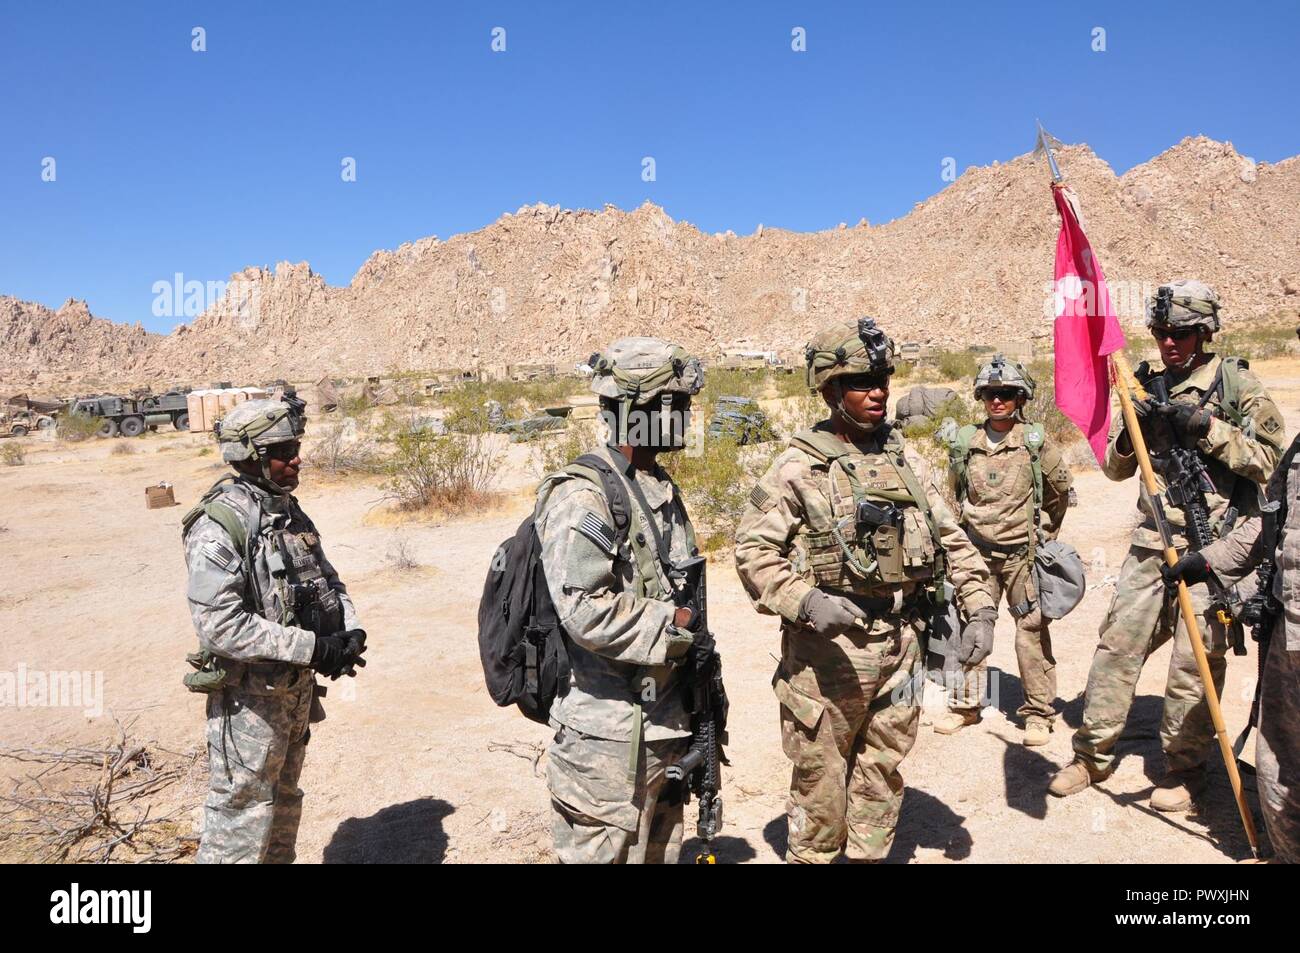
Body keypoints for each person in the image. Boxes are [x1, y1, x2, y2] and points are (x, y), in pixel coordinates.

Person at [734, 318, 996, 863]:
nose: (878, 392)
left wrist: (980, 611)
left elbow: (953, 538)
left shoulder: (905, 460)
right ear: (830, 390)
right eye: (861, 382)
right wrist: (804, 600)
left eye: (883, 379)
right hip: (830, 654)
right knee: (821, 782)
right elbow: (753, 552)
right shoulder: (799, 465)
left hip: (902, 643)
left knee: (882, 771)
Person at [1049, 280, 1283, 812]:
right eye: (1160, 333)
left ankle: (1185, 767)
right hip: (1151, 544)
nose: (1168, 344)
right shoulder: (1143, 384)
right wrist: (1133, 434)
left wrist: (1205, 427)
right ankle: (1091, 755)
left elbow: (1268, 462)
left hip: (1210, 550)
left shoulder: (1236, 386)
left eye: (1180, 334)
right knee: (1116, 648)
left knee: (1192, 665)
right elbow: (1112, 467)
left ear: (1204, 334)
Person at [535, 337, 709, 863]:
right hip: (607, 741)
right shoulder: (584, 495)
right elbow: (583, 607)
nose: (684, 417)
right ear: (641, 411)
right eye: (675, 405)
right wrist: (675, 626)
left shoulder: (653, 486)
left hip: (661, 726)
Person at [182, 394, 366, 863]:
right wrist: (312, 648)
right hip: (248, 701)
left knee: (284, 802)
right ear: (253, 458)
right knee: (240, 816)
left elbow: (325, 578)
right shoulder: (220, 523)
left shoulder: (287, 510)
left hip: (293, 693)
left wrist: (348, 632)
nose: (296, 457)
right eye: (284, 451)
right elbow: (220, 624)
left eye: (296, 445)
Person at [937, 356, 1072, 746]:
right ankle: (966, 705)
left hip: (1021, 558)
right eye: (992, 394)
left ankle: (1038, 712)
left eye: (1007, 394)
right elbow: (956, 492)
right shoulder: (965, 443)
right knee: (972, 625)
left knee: (1030, 633)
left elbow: (1059, 493)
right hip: (977, 555)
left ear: (1021, 398)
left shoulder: (1035, 444)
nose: (998, 401)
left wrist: (1044, 532)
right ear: (982, 397)